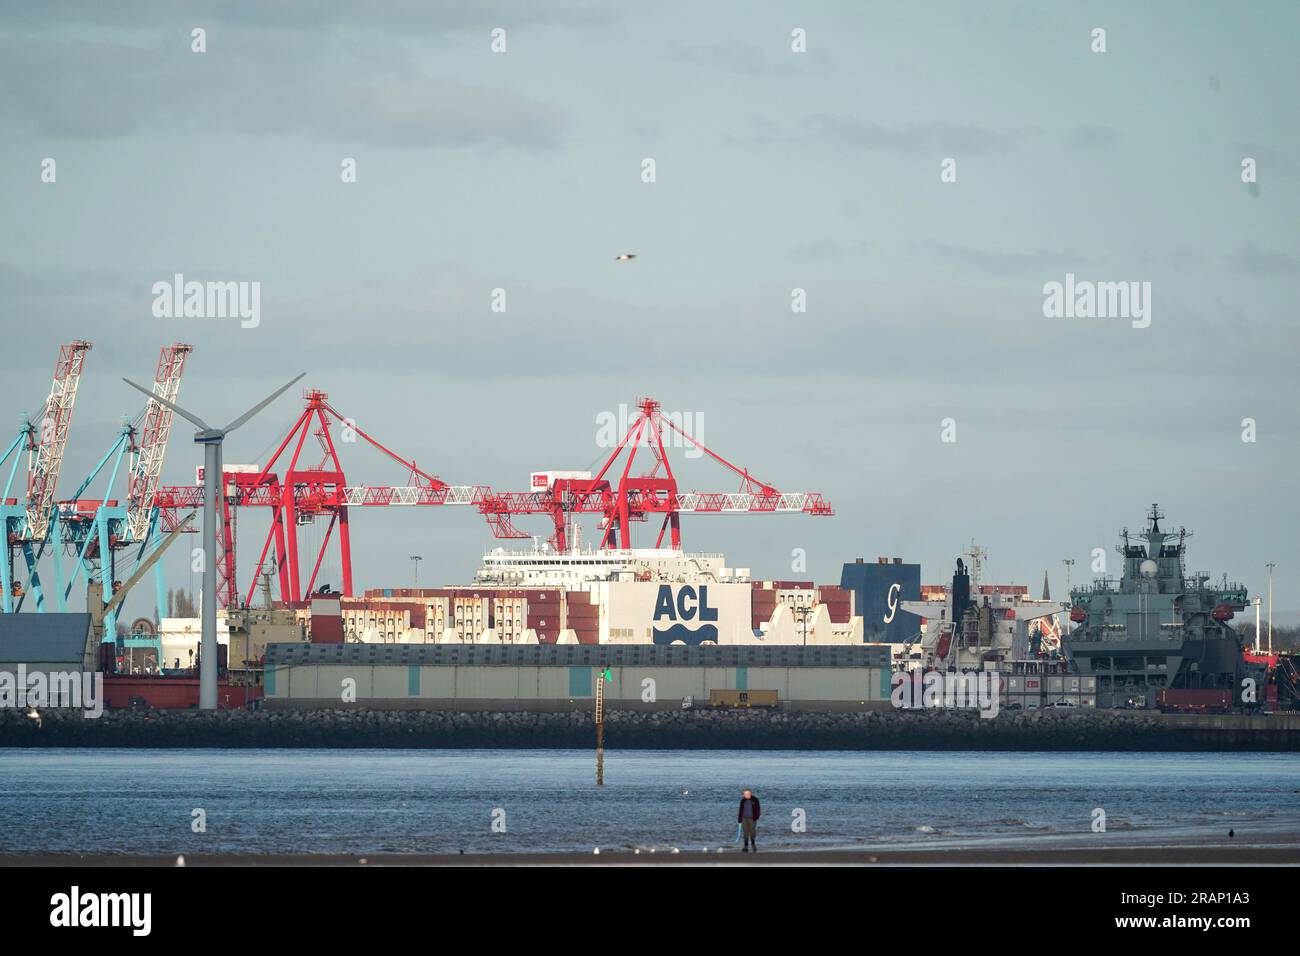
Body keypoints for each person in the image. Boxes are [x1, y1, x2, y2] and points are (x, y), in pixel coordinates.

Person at [737, 788, 761, 852]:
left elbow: (758, 810)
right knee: (745, 832)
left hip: (752, 819)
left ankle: (753, 844)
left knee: (752, 832)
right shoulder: (742, 800)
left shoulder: (755, 800)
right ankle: (746, 845)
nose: (745, 795)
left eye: (747, 793)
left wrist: (756, 817)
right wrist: (739, 819)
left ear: (750, 793)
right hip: (744, 818)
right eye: (744, 794)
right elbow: (740, 810)